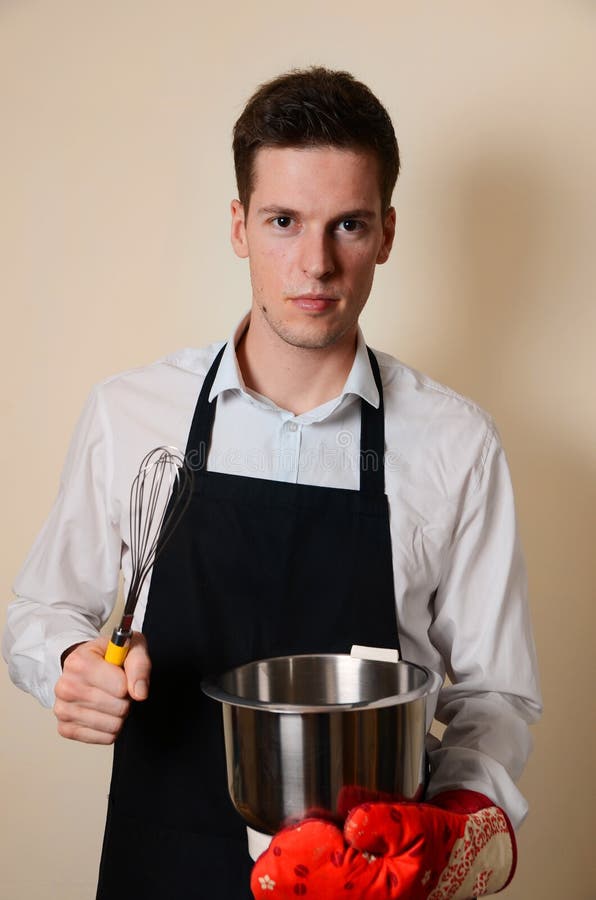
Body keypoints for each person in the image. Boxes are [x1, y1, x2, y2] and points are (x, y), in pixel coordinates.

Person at [3, 67, 541, 898]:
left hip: (368, 877)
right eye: (283, 221)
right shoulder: (131, 414)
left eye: (348, 225)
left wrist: (450, 821)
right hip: (161, 863)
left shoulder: (457, 443)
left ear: (387, 234)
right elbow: (39, 612)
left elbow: (495, 693)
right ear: (239, 226)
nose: (315, 264)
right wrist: (70, 663)